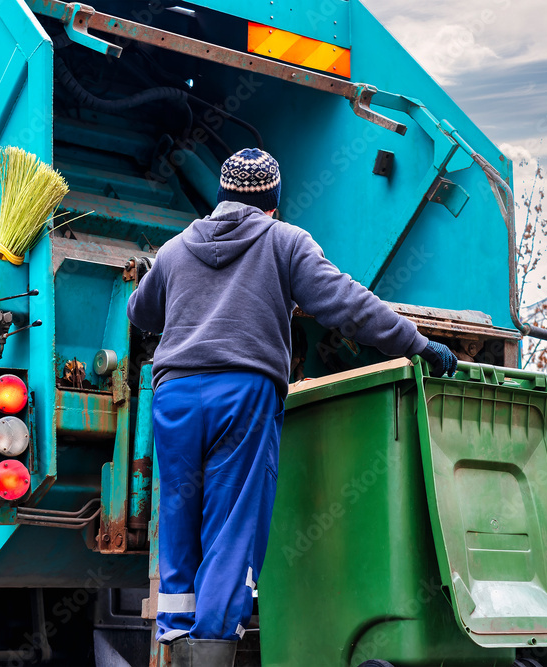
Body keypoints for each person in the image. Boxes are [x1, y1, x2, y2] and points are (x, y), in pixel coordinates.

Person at [127, 147, 457, 666]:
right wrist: (418, 344)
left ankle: (174, 645)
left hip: (174, 399)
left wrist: (173, 283)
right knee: (229, 530)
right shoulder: (285, 243)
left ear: (221, 196)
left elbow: (140, 310)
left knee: (178, 521)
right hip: (241, 394)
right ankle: (211, 653)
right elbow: (349, 305)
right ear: (272, 205)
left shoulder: (176, 248)